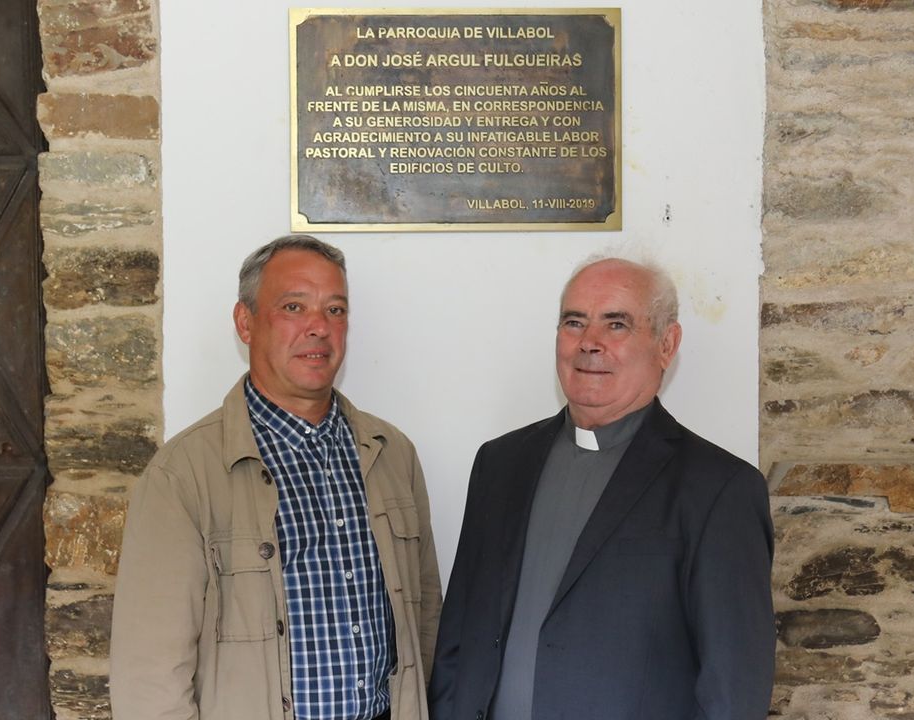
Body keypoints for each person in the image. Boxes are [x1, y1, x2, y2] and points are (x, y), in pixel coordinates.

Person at [428, 254, 775, 720]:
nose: (589, 343)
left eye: (616, 325)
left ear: (666, 344)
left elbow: (733, 691)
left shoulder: (720, 490)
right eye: (575, 322)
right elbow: (458, 637)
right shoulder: (500, 463)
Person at [111, 235, 441, 720]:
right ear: (246, 323)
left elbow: (424, 615)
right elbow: (149, 677)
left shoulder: (393, 455)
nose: (319, 328)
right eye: (294, 306)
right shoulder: (182, 476)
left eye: (336, 310)